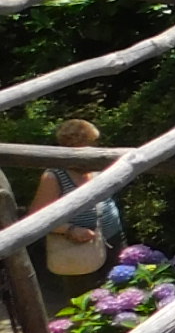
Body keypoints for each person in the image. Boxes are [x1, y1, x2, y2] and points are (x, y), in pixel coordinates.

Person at [31, 120, 122, 313]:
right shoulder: (54, 176)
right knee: (87, 305)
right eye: (91, 143)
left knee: (121, 296)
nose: (95, 148)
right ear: (74, 146)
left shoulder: (95, 166)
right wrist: (70, 229)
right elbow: (37, 218)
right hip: (77, 250)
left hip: (113, 240)